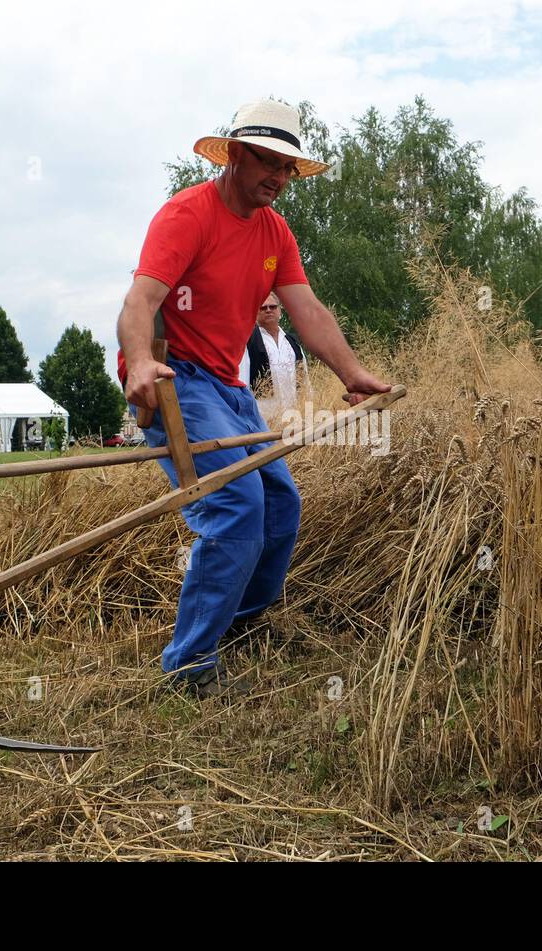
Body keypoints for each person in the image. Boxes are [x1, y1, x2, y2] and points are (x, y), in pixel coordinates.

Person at [117, 98, 390, 698]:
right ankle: (188, 666)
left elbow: (308, 311)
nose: (277, 177)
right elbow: (140, 301)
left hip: (228, 384)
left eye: (287, 167)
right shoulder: (187, 215)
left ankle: (241, 626)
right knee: (237, 506)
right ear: (234, 155)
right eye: (267, 161)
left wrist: (352, 373)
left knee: (281, 504)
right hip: (176, 378)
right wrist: (139, 362)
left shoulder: (275, 231)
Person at [238, 291, 311, 421]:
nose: (268, 310)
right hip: (264, 419)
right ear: (255, 312)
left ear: (280, 311)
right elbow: (242, 383)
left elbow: (305, 380)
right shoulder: (248, 342)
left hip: (295, 417)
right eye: (263, 308)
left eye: (273, 307)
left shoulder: (292, 342)